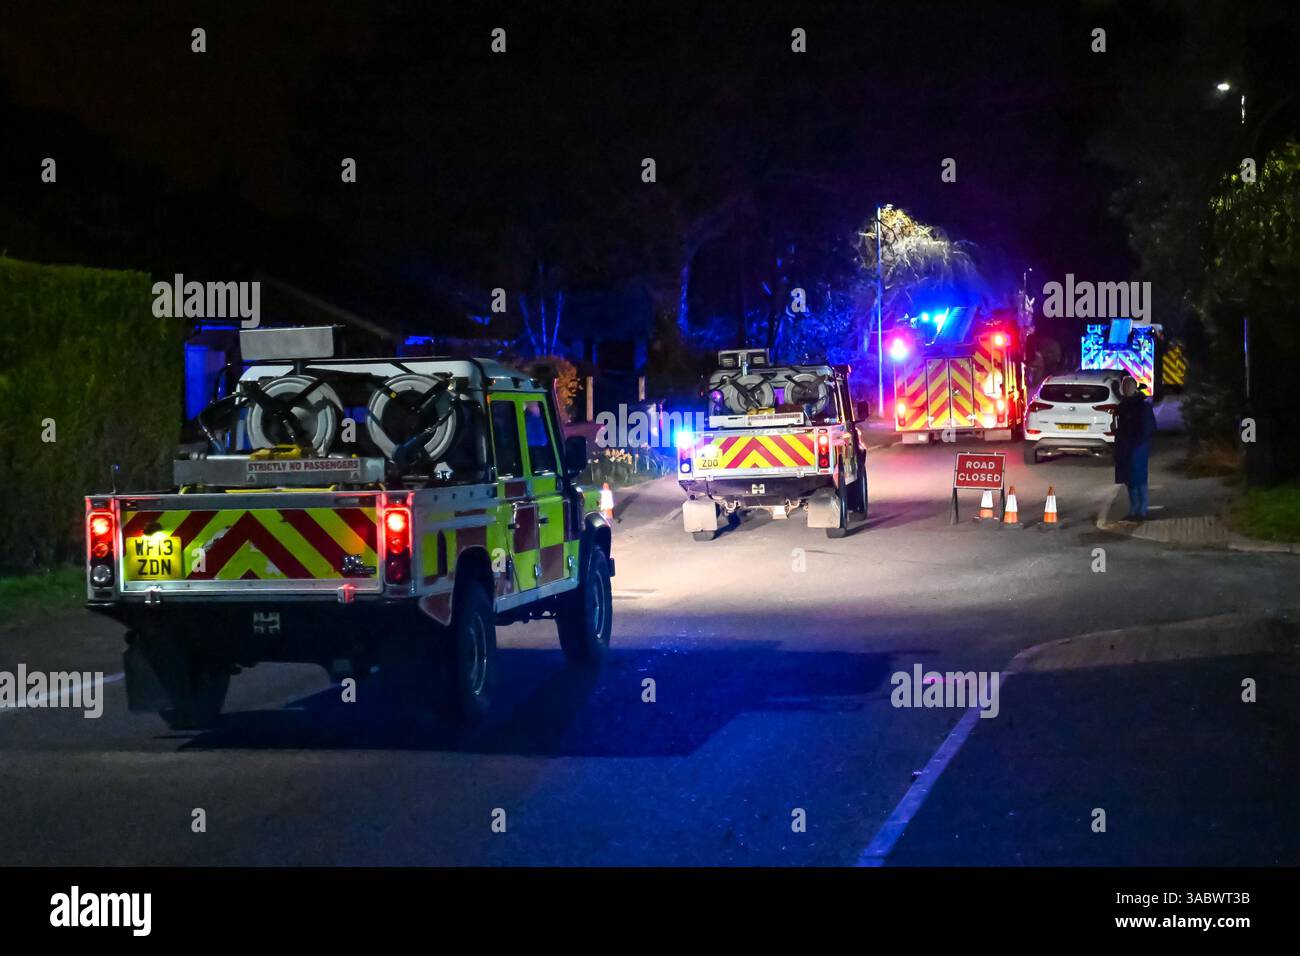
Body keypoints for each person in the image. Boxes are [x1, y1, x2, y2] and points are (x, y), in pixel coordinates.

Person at [1113, 376, 1157, 520]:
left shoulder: (1142, 406)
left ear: (1134, 388)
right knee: (1129, 479)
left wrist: (1138, 442)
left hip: (1137, 446)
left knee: (1138, 477)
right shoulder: (1123, 405)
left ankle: (1141, 510)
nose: (1126, 390)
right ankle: (1134, 509)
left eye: (1128, 387)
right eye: (1124, 387)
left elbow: (1148, 427)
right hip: (1126, 446)